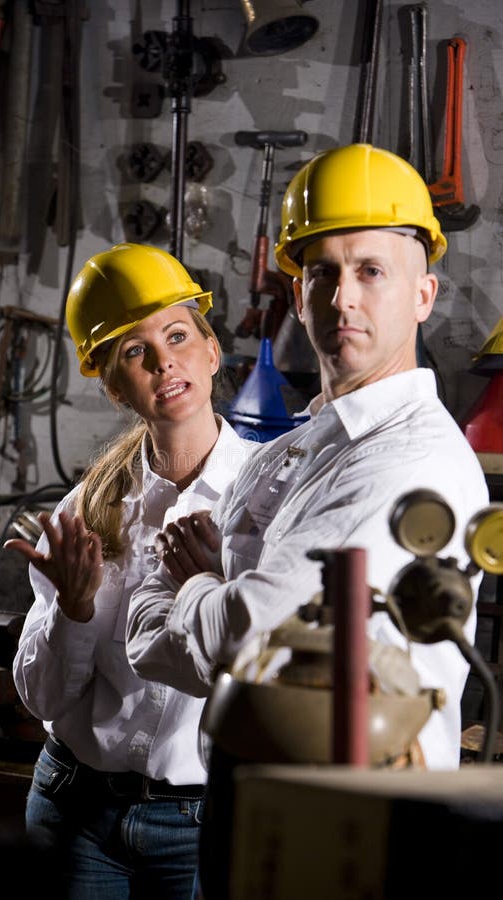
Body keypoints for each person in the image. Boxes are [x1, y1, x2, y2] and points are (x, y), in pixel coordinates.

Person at [126, 143, 490, 768]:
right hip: (247, 817)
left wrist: (193, 584)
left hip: (348, 828)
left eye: (372, 271)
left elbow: (252, 648)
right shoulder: (287, 453)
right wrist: (211, 600)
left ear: (423, 296)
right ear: (298, 297)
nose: (344, 297)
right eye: (323, 272)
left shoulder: (408, 463)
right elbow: (150, 651)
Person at [6, 242, 254, 900]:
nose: (164, 360)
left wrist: (218, 598)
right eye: (135, 350)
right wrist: (73, 610)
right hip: (74, 806)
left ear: (210, 350)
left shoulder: (266, 503)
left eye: (177, 334)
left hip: (201, 821)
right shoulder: (86, 511)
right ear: (114, 384)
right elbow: (42, 700)